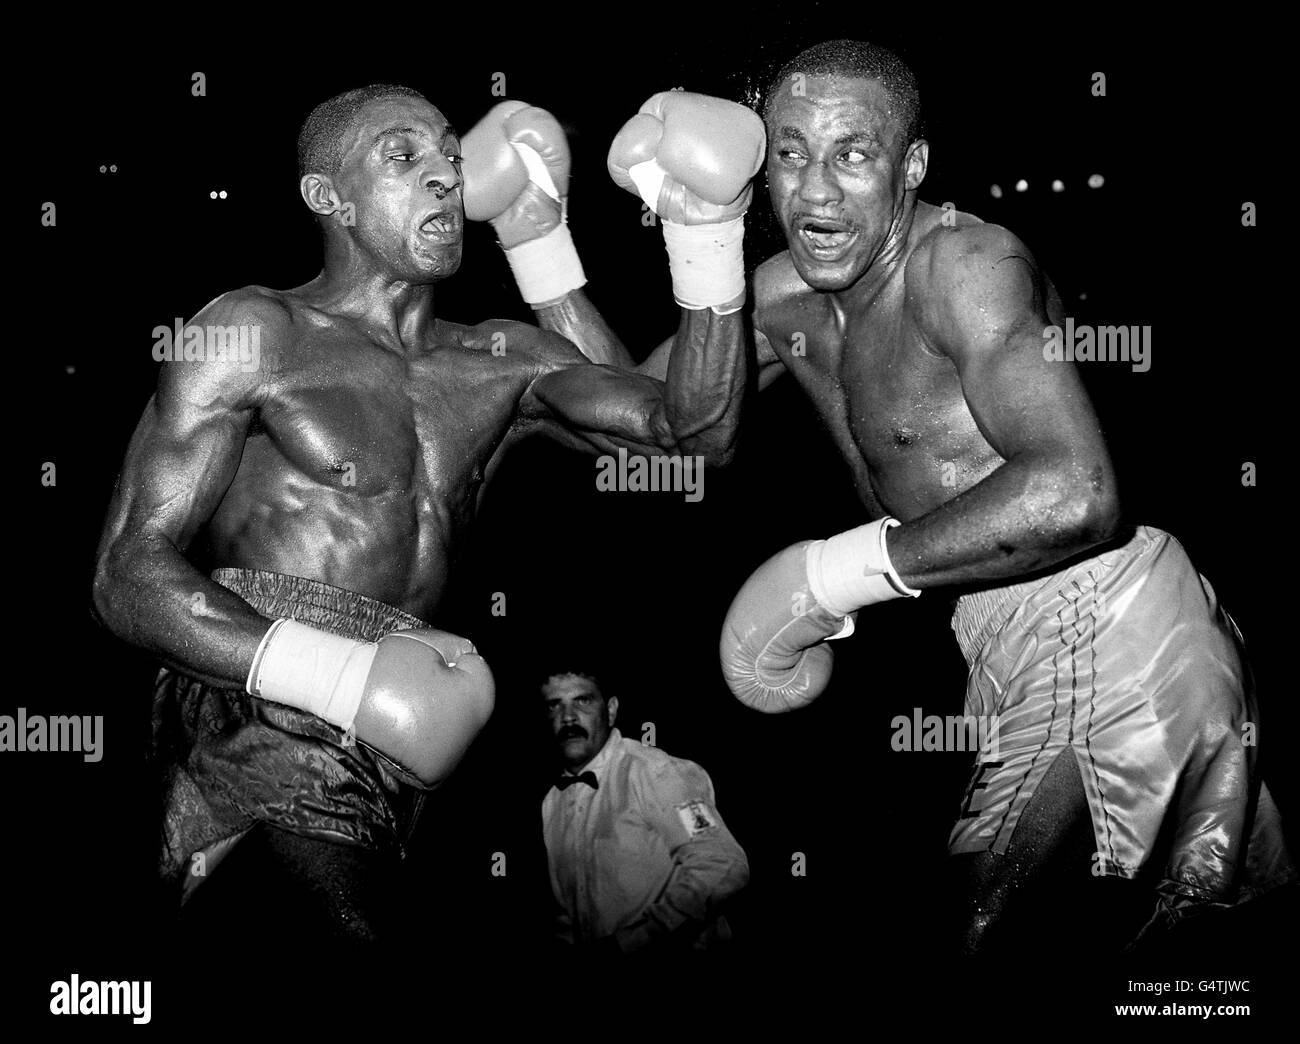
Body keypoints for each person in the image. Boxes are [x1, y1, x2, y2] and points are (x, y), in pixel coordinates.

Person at [599, 43, 1293, 955]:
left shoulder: (964, 264)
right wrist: (563, 246)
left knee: (983, 938)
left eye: (852, 155)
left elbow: (1078, 492)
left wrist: (831, 577)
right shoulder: (776, 296)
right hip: (998, 644)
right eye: (792, 152)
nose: (814, 192)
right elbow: (651, 424)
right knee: (1175, 957)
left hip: (1107, 617)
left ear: (911, 166)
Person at [90, 83, 758, 944]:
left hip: (408, 722)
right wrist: (334, 677)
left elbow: (688, 436)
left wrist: (700, 232)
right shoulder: (257, 330)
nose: (445, 172)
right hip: (254, 680)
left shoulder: (499, 357)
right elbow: (124, 574)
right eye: (403, 158)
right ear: (329, 198)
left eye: (449, 151)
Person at [540, 671, 749, 954]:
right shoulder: (552, 801)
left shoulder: (655, 771)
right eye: (555, 705)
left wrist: (633, 941)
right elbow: (566, 912)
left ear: (611, 710)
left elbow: (722, 865)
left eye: (583, 701)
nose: (568, 717)